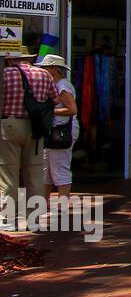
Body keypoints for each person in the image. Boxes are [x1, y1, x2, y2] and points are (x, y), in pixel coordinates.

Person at [0, 46, 57, 213]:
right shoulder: (44, 74)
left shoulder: (5, 74)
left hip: (9, 125)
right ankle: (35, 218)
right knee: (35, 174)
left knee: (8, 173)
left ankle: (7, 217)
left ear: (10, 59)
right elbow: (55, 99)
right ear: (30, 59)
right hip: (36, 127)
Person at [35, 54, 78, 206]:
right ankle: (43, 202)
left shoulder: (62, 86)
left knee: (60, 167)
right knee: (46, 169)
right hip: (54, 130)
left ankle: (63, 205)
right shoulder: (56, 85)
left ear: (54, 69)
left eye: (45, 67)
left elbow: (72, 109)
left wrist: (49, 111)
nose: (43, 70)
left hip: (61, 131)